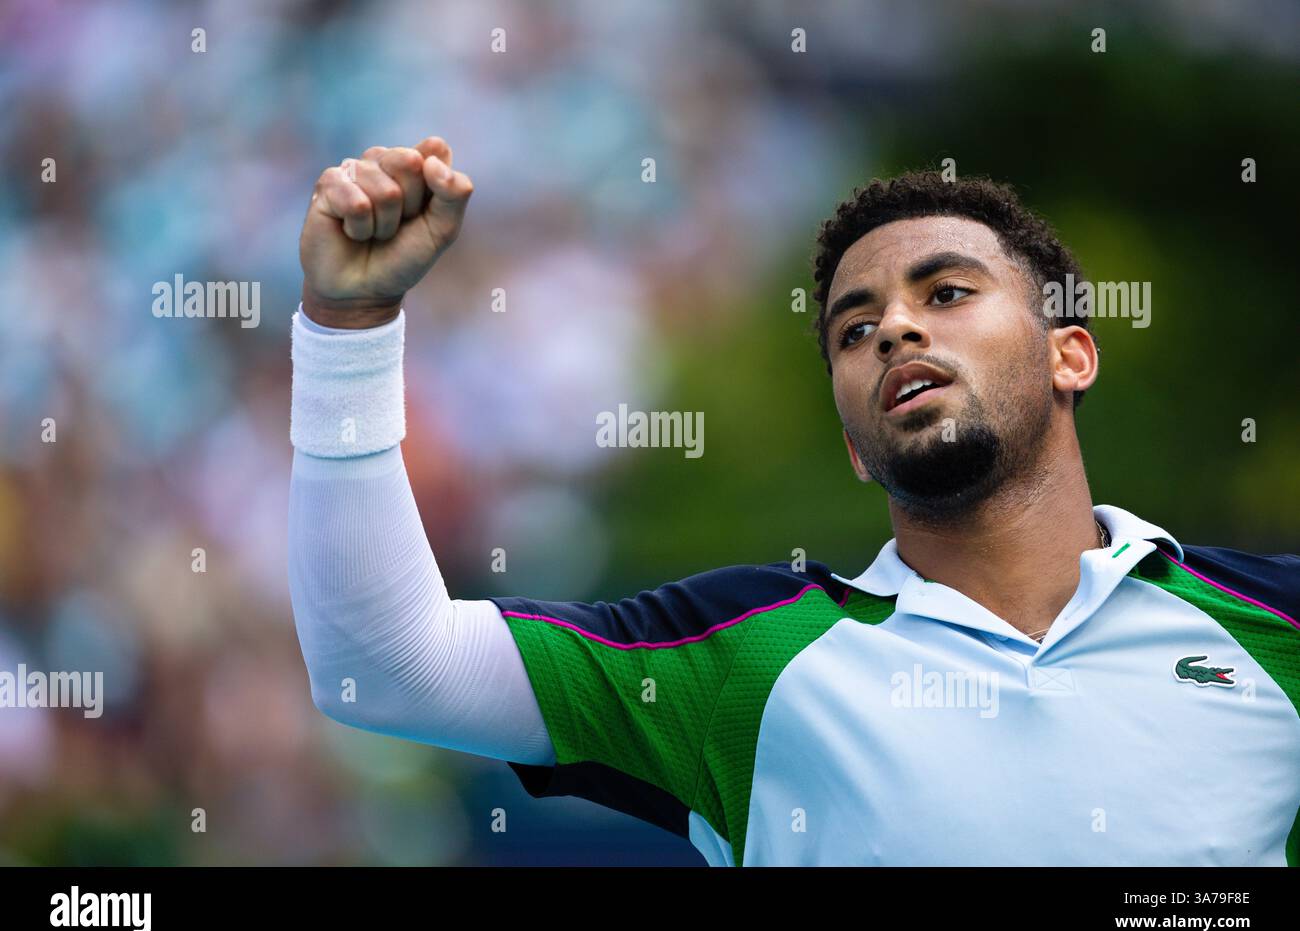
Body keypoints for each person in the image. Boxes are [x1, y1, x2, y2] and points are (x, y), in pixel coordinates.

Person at [287, 136, 1300, 866]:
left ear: (1070, 351)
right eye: (854, 331)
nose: (895, 329)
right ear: (855, 445)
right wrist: (348, 324)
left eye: (945, 293)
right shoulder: (737, 663)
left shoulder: (1279, 623)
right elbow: (381, 666)